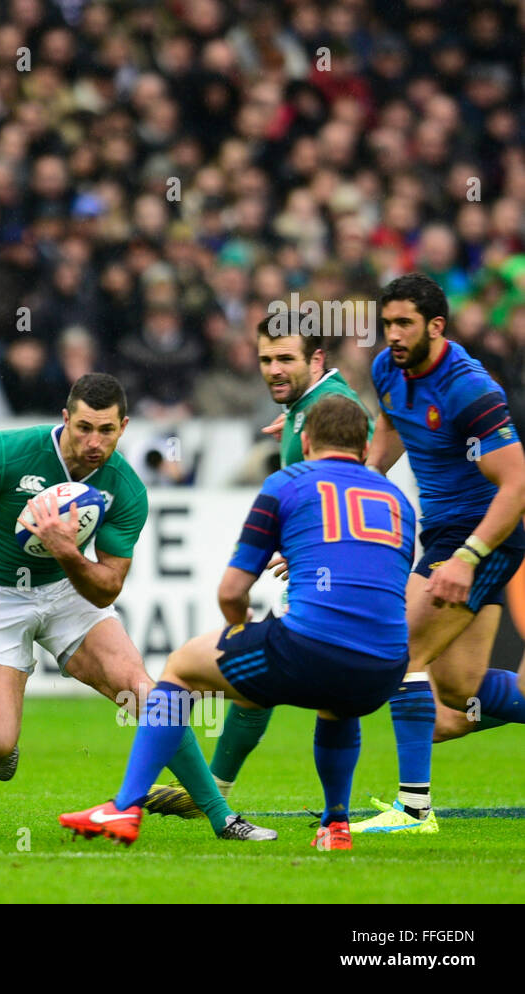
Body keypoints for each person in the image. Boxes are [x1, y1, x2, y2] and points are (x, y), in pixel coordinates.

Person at [0, 373, 275, 842]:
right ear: (65, 419)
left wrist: (67, 552)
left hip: (67, 593)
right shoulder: (7, 452)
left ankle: (221, 817)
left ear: (124, 427)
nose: (94, 442)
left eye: (107, 430)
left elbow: (106, 589)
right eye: (85, 428)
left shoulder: (126, 489)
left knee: (144, 691)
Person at [60, 396, 415, 850]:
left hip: (310, 649)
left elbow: (231, 590)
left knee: (182, 667)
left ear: (304, 441)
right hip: (385, 666)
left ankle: (124, 807)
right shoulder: (398, 500)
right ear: (366, 448)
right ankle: (336, 825)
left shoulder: (287, 482)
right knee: (339, 701)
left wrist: (237, 628)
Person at [146, 311, 372, 816]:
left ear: (316, 359)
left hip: (330, 580)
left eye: (286, 359)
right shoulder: (307, 407)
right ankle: (225, 794)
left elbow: (367, 460)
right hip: (328, 577)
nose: (273, 369)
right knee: (277, 688)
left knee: (221, 672)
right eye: (266, 358)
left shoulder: (331, 407)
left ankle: (143, 798)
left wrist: (329, 539)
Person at [351, 273, 525, 834]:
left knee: (403, 652)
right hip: (445, 536)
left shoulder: (470, 389)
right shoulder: (388, 369)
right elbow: (388, 435)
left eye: (404, 324)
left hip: (486, 535)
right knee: (459, 691)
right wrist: (353, 490)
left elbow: (517, 484)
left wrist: (469, 557)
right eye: (387, 325)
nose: (393, 336)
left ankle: (414, 810)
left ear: (436, 326)